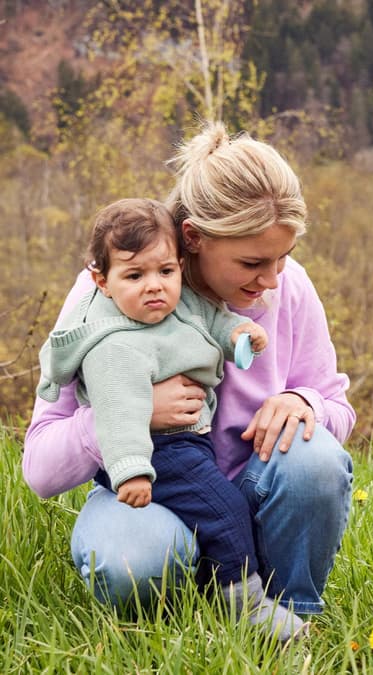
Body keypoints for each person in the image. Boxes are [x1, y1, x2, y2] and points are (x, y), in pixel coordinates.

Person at [22, 122, 355, 623]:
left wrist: (304, 403)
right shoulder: (110, 294)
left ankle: (286, 617)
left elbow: (337, 409)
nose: (271, 280)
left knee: (316, 462)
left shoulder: (289, 287)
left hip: (253, 495)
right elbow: (40, 469)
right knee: (131, 562)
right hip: (152, 492)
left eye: (284, 257)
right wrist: (129, 411)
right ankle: (181, 618)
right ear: (194, 238)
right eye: (252, 262)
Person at [35, 197, 307, 640]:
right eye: (135, 276)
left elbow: (210, 321)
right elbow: (120, 415)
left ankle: (233, 593)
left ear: (180, 266)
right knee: (224, 511)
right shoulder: (113, 344)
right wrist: (132, 471)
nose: (154, 287)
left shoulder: (174, 304)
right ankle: (247, 607)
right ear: (102, 281)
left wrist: (239, 334)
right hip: (156, 453)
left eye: (165, 272)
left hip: (185, 444)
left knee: (219, 511)